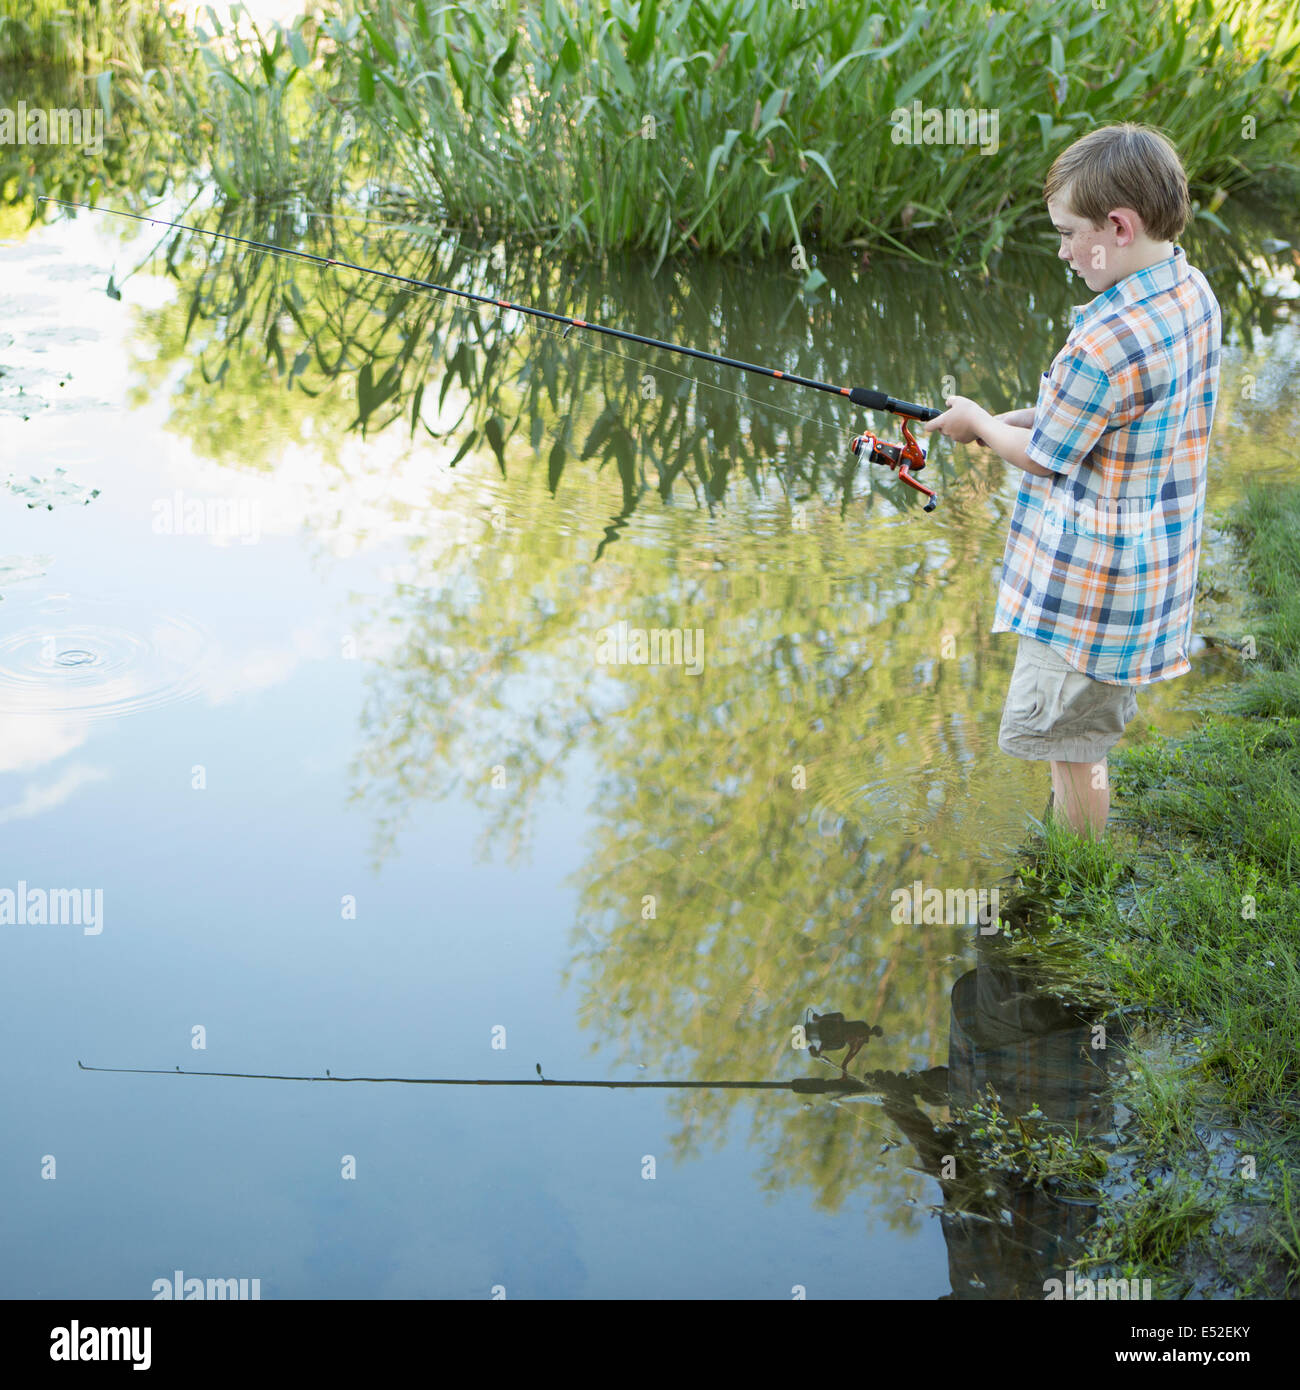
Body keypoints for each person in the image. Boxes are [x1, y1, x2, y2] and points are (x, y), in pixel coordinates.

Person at [926, 123, 1222, 838]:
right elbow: (1087, 417)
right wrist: (1000, 416)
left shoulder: (1102, 340)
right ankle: (1074, 844)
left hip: (1087, 594)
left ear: (1117, 226)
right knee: (1082, 737)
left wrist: (981, 425)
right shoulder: (1190, 292)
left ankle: (1078, 864)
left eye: (1067, 233)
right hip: (1149, 572)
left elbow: (1046, 454)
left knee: (1071, 745)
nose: (1061, 251)